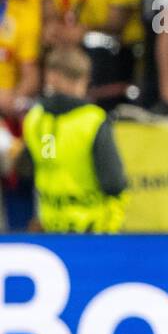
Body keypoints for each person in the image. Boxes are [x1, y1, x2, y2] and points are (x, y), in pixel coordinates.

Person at [19, 44, 125, 232]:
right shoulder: (93, 120)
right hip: (92, 228)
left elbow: (26, 169)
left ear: (50, 77)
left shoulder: (34, 118)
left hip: (49, 226)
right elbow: (113, 182)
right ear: (83, 80)